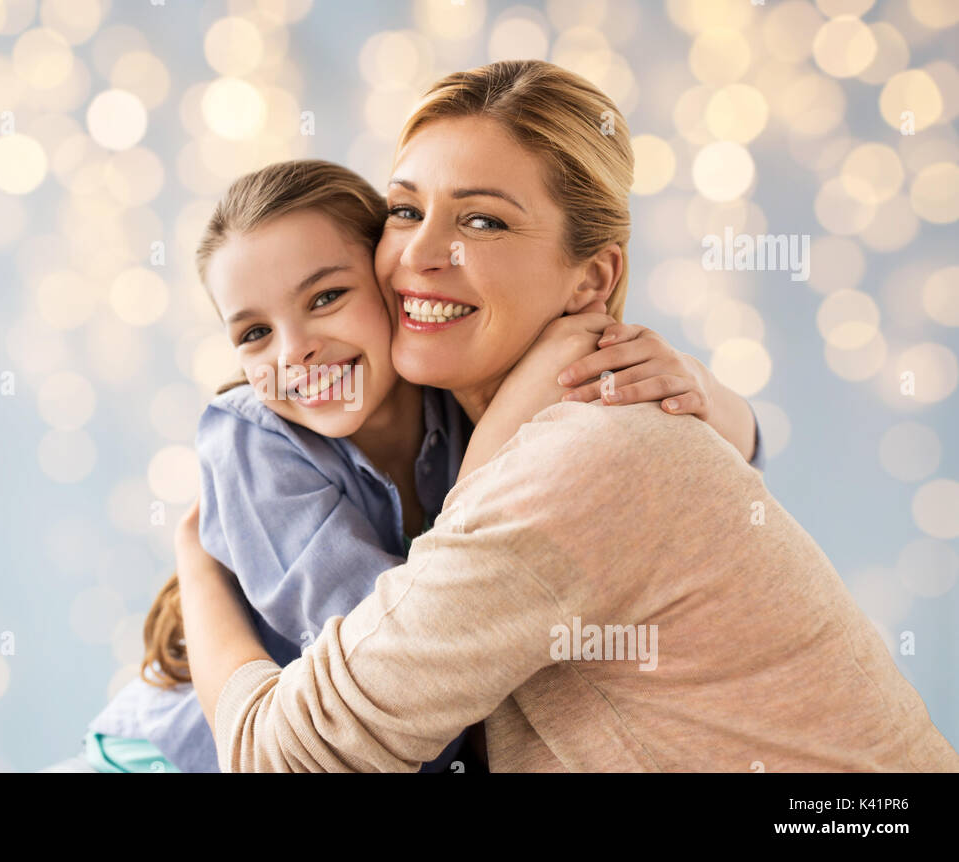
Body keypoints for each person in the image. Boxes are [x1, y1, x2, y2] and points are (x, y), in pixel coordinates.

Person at [173, 60, 959, 772]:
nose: (418, 255)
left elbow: (288, 760)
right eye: (407, 211)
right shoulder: (476, 416)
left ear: (591, 280)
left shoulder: (588, 454)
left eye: (482, 221)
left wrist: (199, 570)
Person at [80, 151, 765, 772]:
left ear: (393, 287)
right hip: (175, 757)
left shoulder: (455, 392)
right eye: (255, 333)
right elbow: (402, 683)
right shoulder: (250, 445)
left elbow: (722, 463)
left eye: (325, 298)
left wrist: (705, 389)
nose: (293, 353)